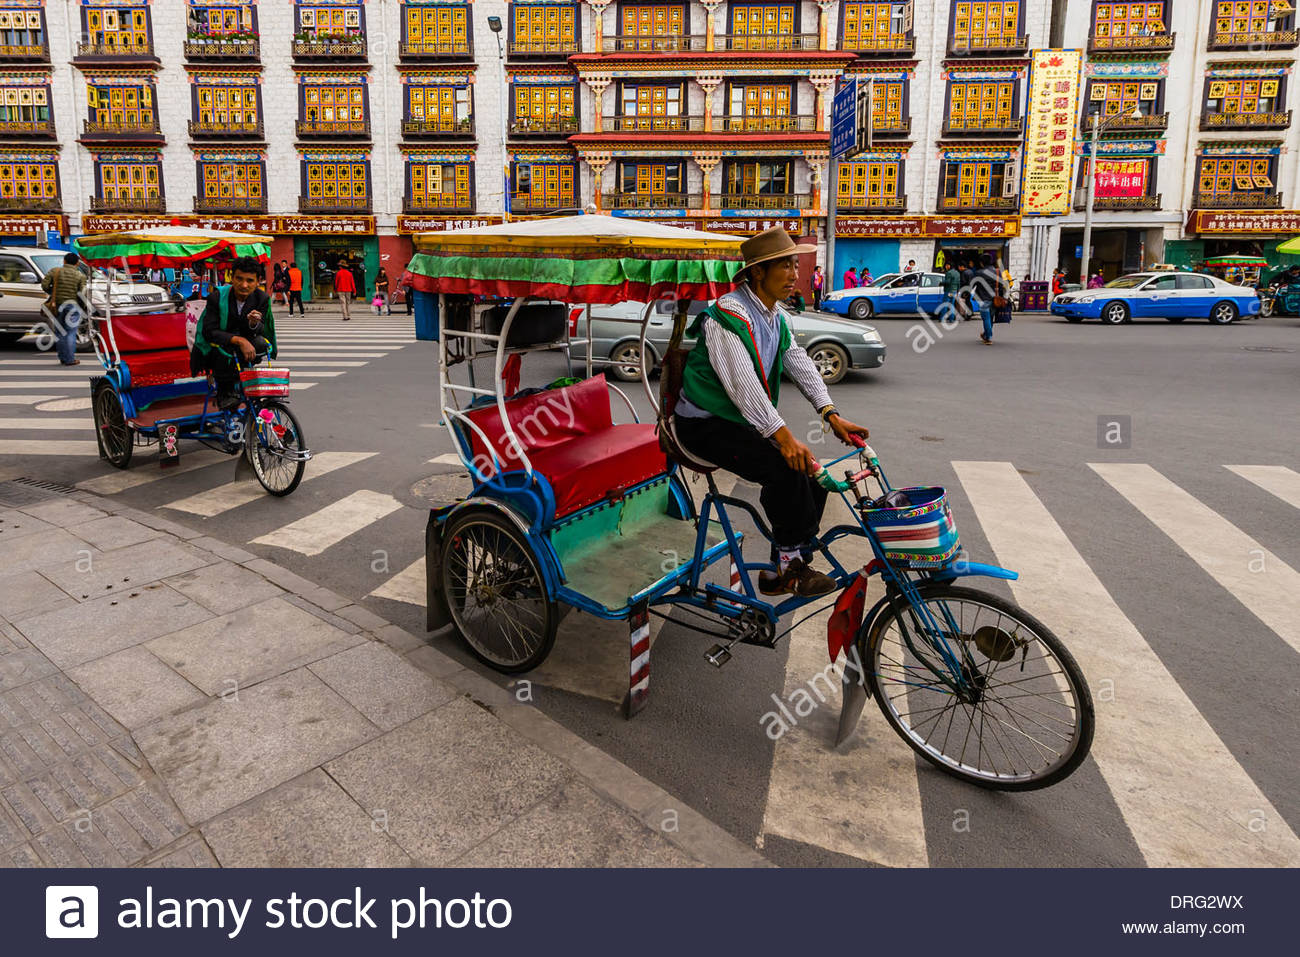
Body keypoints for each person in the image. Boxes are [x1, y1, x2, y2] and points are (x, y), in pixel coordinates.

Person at [673, 227, 871, 598]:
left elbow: (798, 361)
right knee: (785, 467)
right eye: (785, 266)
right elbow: (743, 386)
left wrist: (830, 413)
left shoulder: (775, 315)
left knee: (811, 472)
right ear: (758, 272)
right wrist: (783, 437)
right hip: (702, 423)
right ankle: (790, 565)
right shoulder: (727, 316)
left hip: (737, 420)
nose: (795, 274)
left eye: (796, 265)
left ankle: (787, 561)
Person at [189, 256, 276, 410]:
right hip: (216, 344)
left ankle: (246, 379)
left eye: (250, 280)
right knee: (224, 350)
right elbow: (209, 331)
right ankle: (225, 392)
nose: (244, 285)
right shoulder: (217, 297)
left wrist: (253, 324)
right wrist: (239, 340)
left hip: (243, 343)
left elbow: (260, 328)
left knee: (261, 344)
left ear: (258, 281)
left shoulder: (261, 298)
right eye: (239, 279)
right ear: (232, 278)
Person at [41, 251, 88, 366]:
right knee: (71, 332)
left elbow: (44, 285)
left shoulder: (55, 271)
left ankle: (63, 357)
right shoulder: (80, 276)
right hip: (73, 306)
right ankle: (70, 359)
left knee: (59, 332)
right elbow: (82, 293)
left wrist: (53, 293)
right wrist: (82, 307)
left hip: (57, 305)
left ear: (64, 261)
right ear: (77, 263)